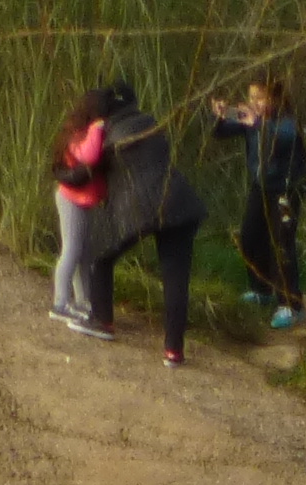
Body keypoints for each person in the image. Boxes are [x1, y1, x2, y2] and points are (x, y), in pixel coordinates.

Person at [70, 80, 208, 365]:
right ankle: (174, 351)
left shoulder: (106, 134)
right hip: (179, 201)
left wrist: (63, 176)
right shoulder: (153, 122)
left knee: (101, 253)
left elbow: (89, 173)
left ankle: (103, 321)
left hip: (139, 208)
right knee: (176, 279)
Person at [206, 79, 306, 327]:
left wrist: (258, 124)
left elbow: (283, 138)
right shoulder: (252, 120)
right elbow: (220, 133)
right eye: (252, 97)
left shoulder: (287, 123)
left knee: (282, 244)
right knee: (250, 236)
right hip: (261, 186)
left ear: (276, 99)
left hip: (286, 190)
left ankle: (291, 304)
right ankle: (261, 289)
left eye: (260, 98)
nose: (254, 103)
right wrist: (220, 116)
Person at [48, 85, 116, 335]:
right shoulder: (78, 134)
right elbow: (89, 156)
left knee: (85, 254)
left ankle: (83, 301)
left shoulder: (86, 131)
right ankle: (60, 302)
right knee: (72, 249)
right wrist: (97, 130)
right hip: (71, 199)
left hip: (85, 200)